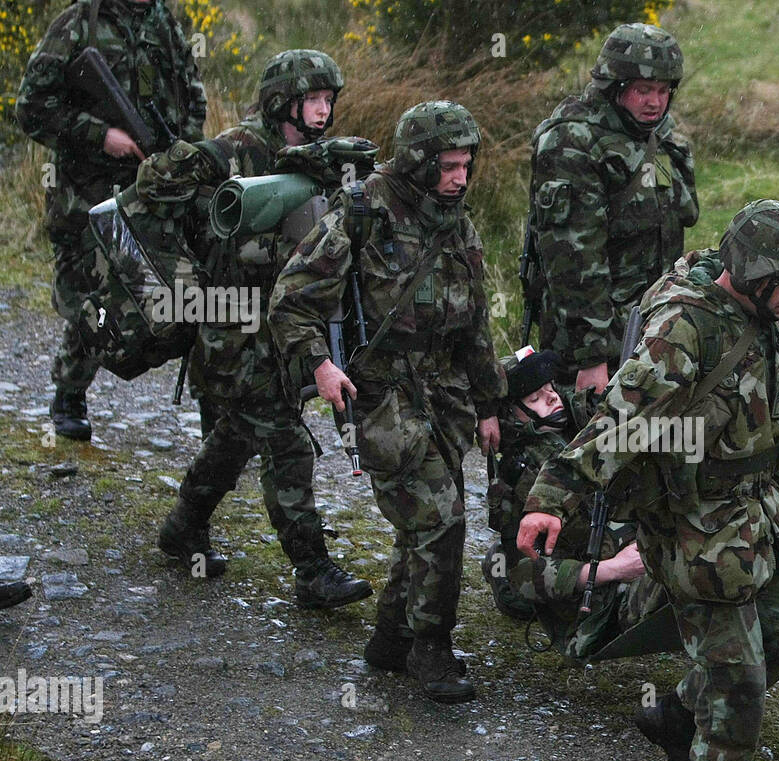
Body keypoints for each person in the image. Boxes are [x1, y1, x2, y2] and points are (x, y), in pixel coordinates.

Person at [518, 200, 779, 761]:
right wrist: (553, 494)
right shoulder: (687, 328)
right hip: (694, 525)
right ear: (753, 271)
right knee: (737, 666)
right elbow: (622, 416)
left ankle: (677, 715)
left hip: (754, 507)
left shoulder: (758, 311)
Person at [269, 101, 507, 703]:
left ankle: (388, 640)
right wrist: (319, 365)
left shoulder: (455, 219)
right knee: (440, 519)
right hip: (381, 395)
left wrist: (488, 402)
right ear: (420, 162)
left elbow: (475, 318)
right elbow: (291, 298)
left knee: (424, 522)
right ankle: (431, 646)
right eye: (449, 166)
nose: (460, 177)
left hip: (444, 394)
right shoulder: (362, 211)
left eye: (466, 165)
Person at [150, 49, 370, 610]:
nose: (324, 111)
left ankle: (184, 525)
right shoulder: (239, 148)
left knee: (239, 433)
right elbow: (157, 180)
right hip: (229, 321)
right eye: (313, 100)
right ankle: (313, 571)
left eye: (328, 101)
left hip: (276, 324)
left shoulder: (317, 158)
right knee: (284, 437)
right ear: (283, 103)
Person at [16, 0, 206, 441]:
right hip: (86, 196)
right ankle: (70, 391)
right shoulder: (80, 22)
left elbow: (192, 95)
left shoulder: (164, 23)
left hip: (153, 191)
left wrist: (184, 152)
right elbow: (32, 108)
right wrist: (100, 136)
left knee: (188, 291)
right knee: (94, 300)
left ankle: (214, 410)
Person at [528, 21, 698, 393]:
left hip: (654, 326)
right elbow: (575, 259)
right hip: (594, 341)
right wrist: (592, 358)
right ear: (614, 87)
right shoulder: (572, 141)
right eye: (643, 91)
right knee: (590, 443)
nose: (655, 102)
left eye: (663, 91)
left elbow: (681, 217)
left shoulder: (657, 135)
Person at [484, 346, 666, 661]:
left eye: (550, 389)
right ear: (511, 415)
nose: (552, 397)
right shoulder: (519, 478)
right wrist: (612, 569)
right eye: (534, 399)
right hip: (604, 594)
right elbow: (524, 575)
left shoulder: (589, 426)